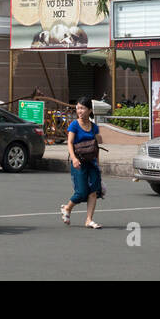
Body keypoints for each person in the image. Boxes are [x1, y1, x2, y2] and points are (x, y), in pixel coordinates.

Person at [61, 96, 105, 228]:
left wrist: (98, 164)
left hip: (92, 162)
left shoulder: (94, 127)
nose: (79, 111)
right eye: (78, 108)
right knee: (81, 192)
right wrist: (74, 158)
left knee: (93, 192)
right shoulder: (74, 125)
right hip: (78, 162)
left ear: (89, 110)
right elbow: (69, 142)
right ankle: (67, 208)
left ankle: (89, 220)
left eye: (82, 108)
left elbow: (97, 146)